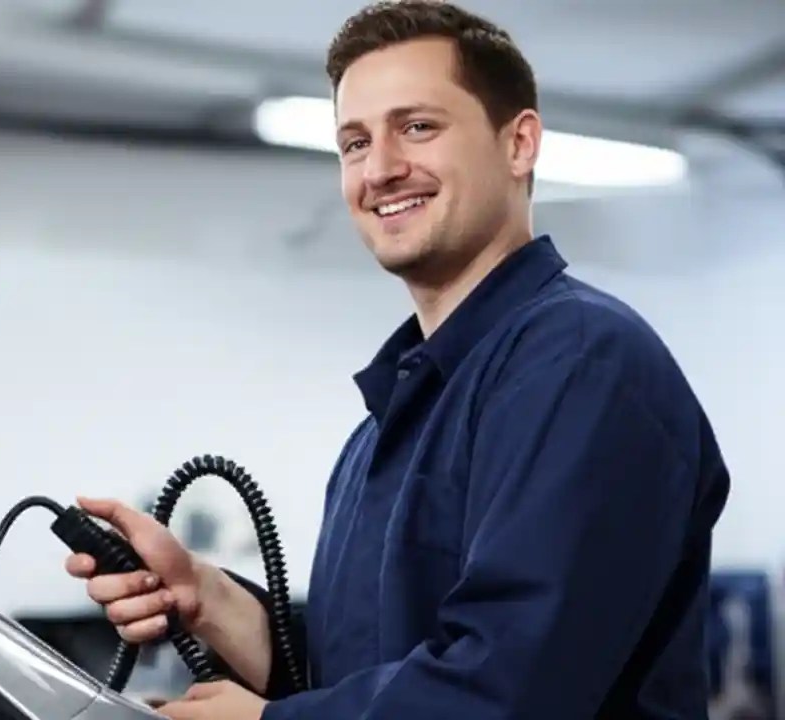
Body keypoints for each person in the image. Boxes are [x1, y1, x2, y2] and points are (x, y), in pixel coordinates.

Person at [65, 1, 731, 718]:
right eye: (354, 143)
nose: (379, 169)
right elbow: (362, 676)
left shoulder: (579, 364)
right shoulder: (389, 426)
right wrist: (208, 597)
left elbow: (508, 692)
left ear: (520, 144)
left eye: (417, 127)